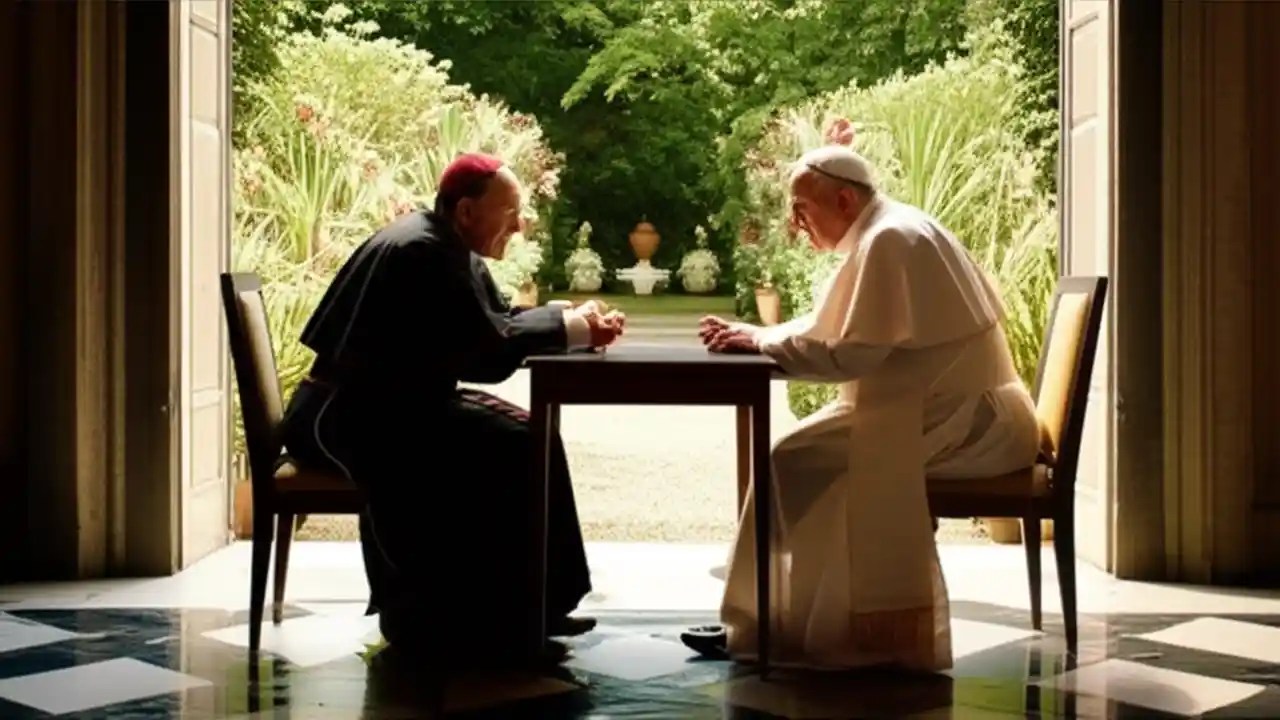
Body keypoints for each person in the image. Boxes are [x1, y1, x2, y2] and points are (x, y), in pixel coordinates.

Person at [686, 124, 1042, 671]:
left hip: (969, 425)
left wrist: (760, 339)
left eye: (802, 210)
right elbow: (839, 327)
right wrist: (758, 334)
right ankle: (777, 622)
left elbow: (851, 354)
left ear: (845, 199)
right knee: (797, 457)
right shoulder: (886, 230)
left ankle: (804, 629)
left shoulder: (891, 239)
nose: (796, 225)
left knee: (791, 460)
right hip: (943, 412)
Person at [278, 153, 625, 667]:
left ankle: (535, 604)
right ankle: (483, 612)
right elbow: (485, 352)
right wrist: (572, 329)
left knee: (530, 434)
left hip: (386, 404)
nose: (520, 224)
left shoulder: (441, 240)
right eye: (510, 211)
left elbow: (493, 321)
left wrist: (569, 317)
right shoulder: (424, 251)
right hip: (346, 416)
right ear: (466, 211)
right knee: (517, 444)